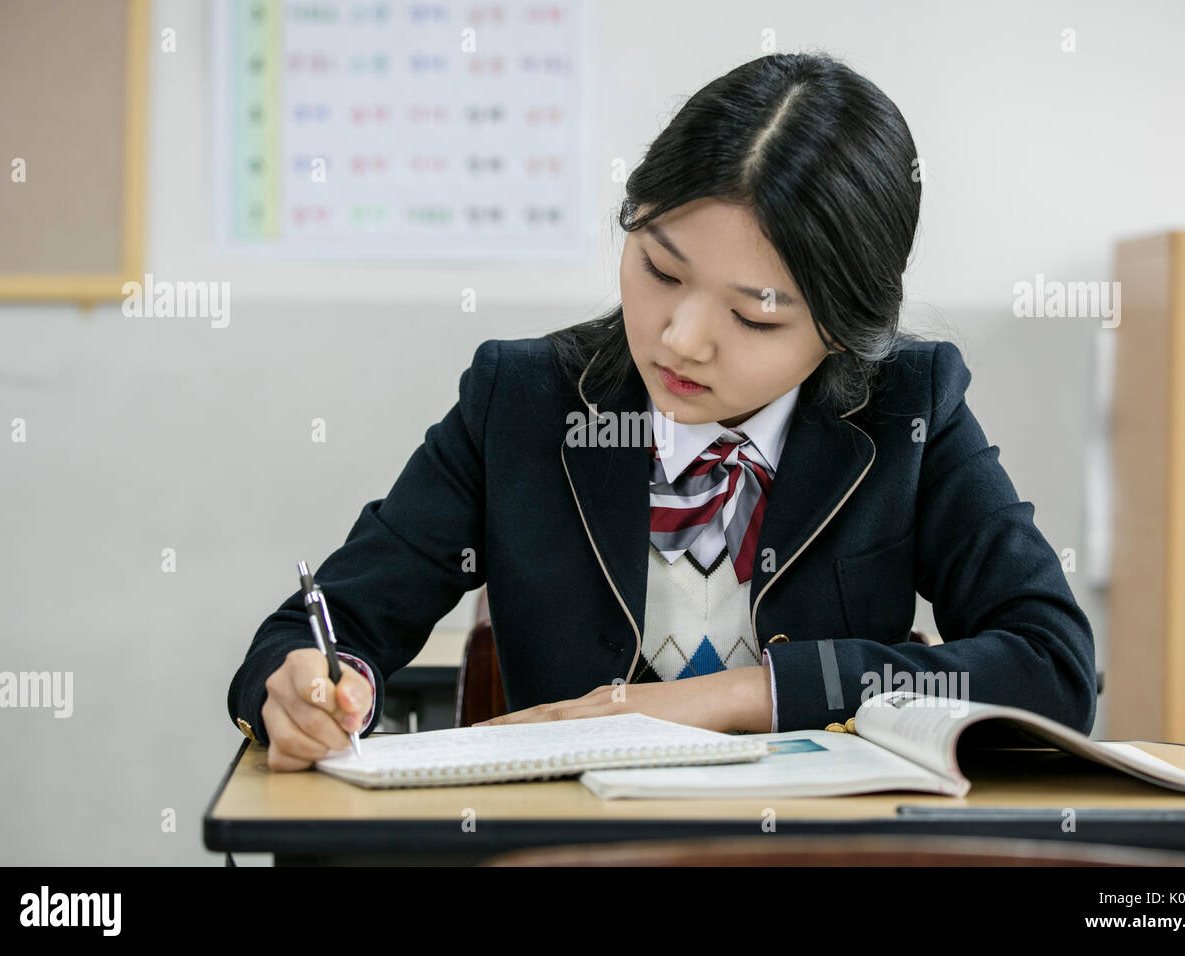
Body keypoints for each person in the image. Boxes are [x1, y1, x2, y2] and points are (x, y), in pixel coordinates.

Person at [227, 52, 1097, 771]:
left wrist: (741, 696)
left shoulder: (908, 409)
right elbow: (318, 631)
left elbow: (1053, 664)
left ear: (844, 331)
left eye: (754, 315)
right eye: (659, 269)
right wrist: (313, 685)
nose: (680, 339)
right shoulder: (523, 401)